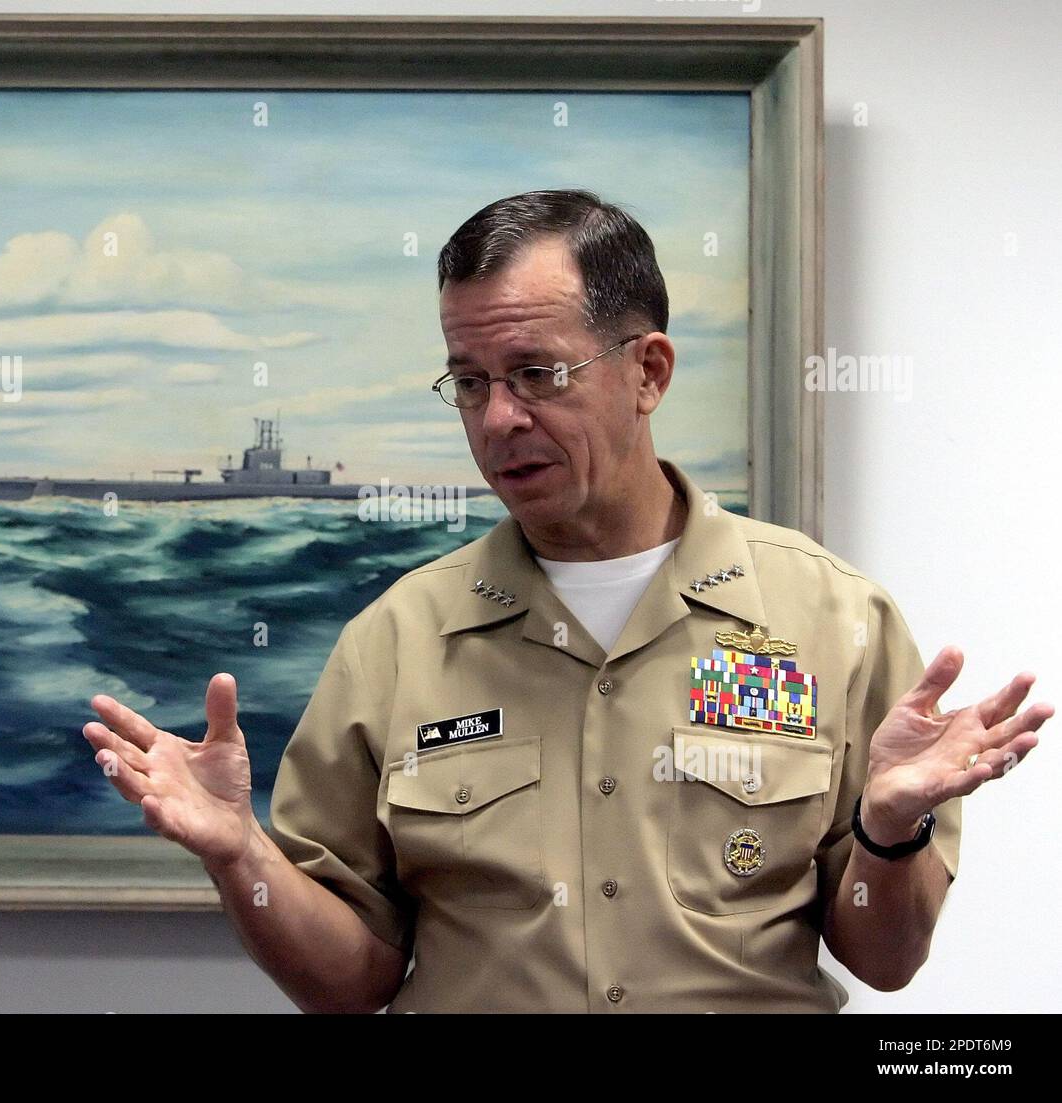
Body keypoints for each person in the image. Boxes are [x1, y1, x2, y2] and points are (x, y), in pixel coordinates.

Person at [81, 190, 1051, 1013]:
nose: (500, 417)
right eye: (469, 382)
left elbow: (884, 959)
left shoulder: (833, 620)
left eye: (536, 374)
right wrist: (237, 852)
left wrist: (891, 828)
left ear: (649, 372)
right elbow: (351, 980)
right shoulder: (394, 643)